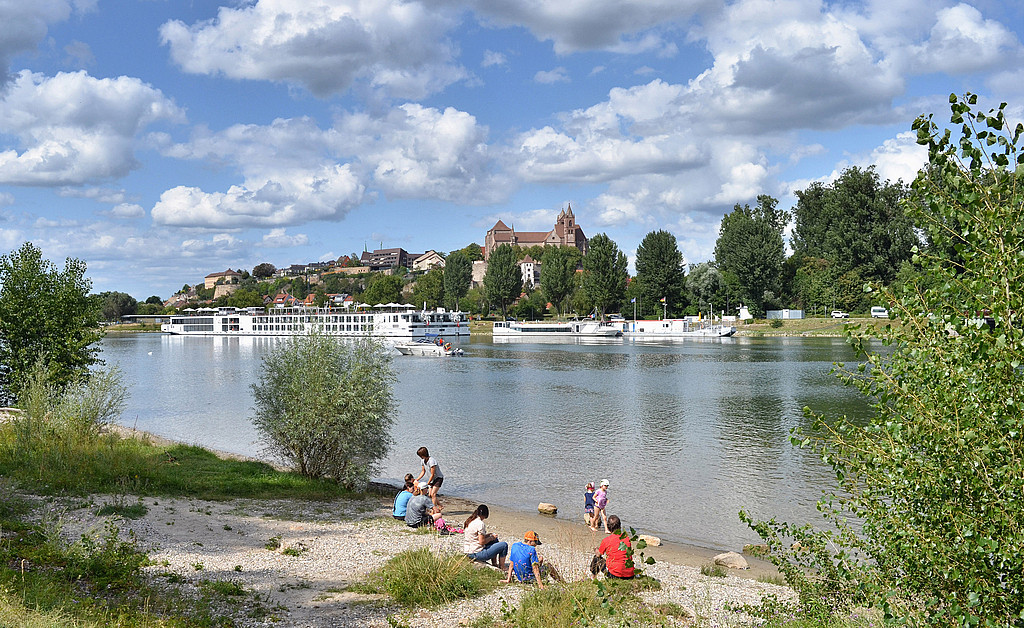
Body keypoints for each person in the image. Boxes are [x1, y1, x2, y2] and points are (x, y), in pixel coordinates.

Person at [463, 504, 507, 570]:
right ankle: (502, 566)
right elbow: (482, 542)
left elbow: (475, 537)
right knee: (504, 545)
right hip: (476, 553)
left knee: (494, 540)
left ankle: (494, 563)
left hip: (468, 551)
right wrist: (491, 537)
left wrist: (488, 536)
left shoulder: (470, 521)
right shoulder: (480, 524)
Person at [590, 515, 635, 580]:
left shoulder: (606, 540)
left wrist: (596, 549)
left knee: (596, 558)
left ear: (608, 527)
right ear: (620, 526)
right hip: (630, 575)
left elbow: (598, 554)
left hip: (614, 575)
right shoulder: (626, 538)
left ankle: (593, 577)